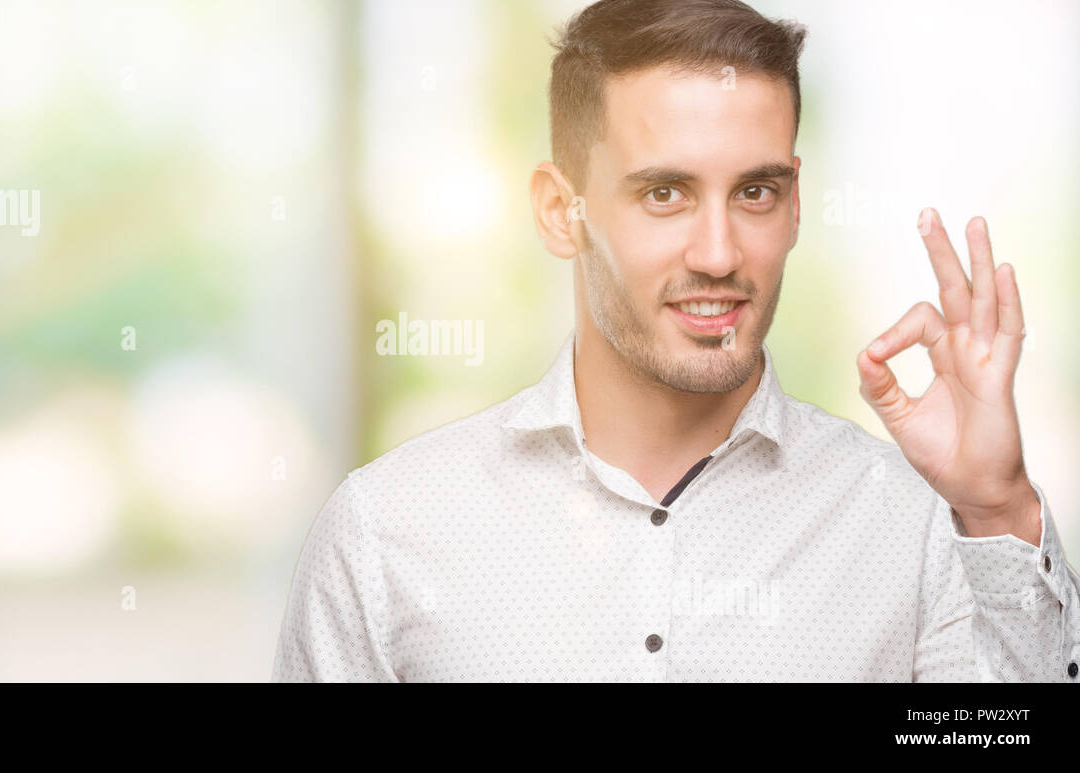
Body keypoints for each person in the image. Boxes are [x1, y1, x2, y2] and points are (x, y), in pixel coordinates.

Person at [271, 0, 1080, 682]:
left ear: (795, 207)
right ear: (562, 211)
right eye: (665, 193)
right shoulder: (384, 533)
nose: (720, 254)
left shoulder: (920, 530)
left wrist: (998, 506)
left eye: (756, 191)